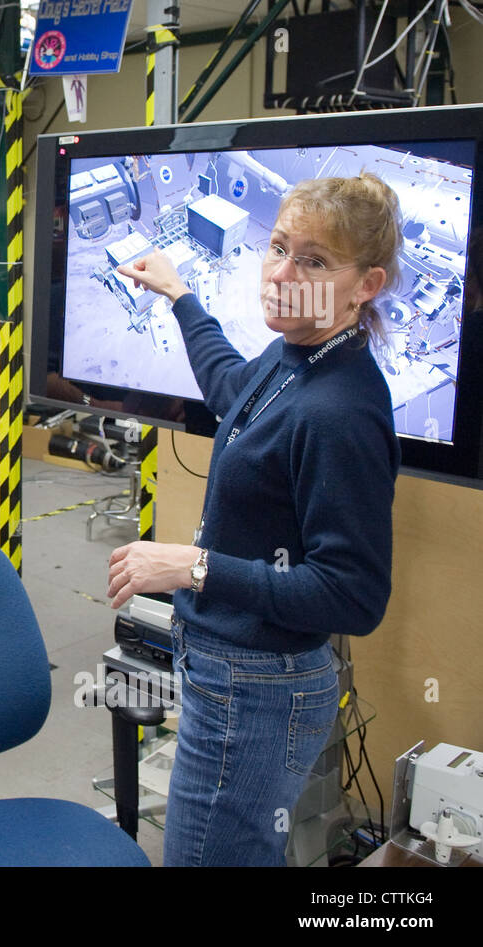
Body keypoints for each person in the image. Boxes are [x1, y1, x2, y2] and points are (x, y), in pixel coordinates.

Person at [106, 173, 402, 866]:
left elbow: (352, 594)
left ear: (367, 285)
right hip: (231, 672)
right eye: (277, 247)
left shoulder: (339, 413)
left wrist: (194, 566)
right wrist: (181, 298)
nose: (279, 274)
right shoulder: (299, 353)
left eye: (314, 260)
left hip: (259, 685)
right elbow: (233, 388)